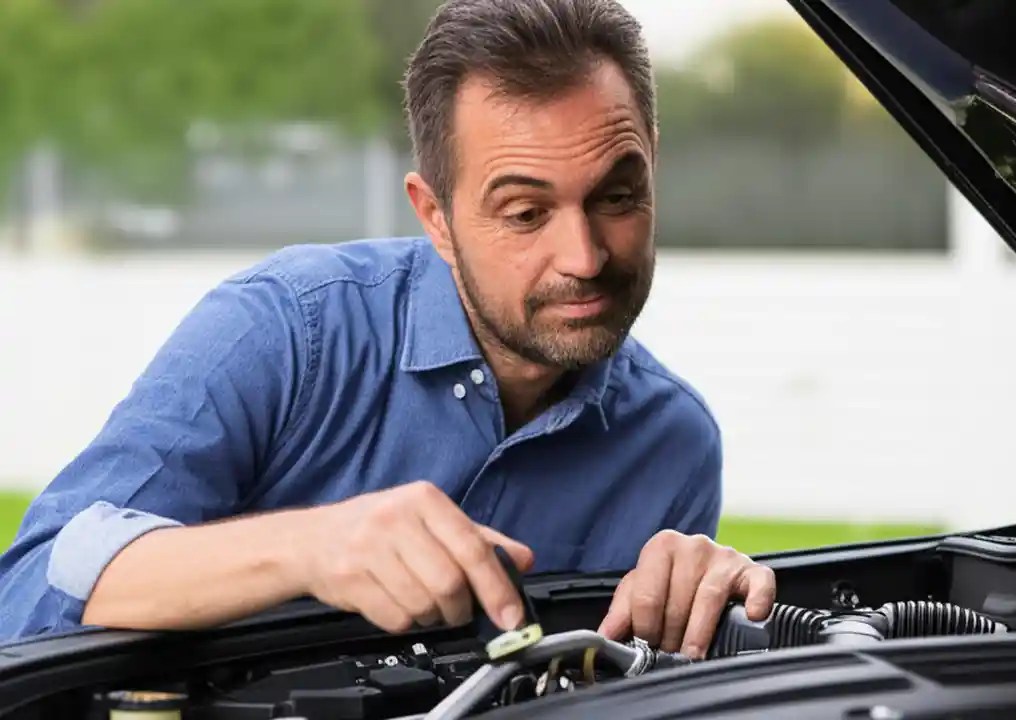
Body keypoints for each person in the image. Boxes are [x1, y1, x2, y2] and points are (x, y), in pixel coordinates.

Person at [0, 0, 775, 658]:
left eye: (616, 196)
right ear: (434, 217)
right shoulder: (285, 331)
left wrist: (698, 627)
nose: (583, 256)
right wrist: (310, 548)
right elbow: (30, 589)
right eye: (526, 213)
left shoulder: (675, 444)